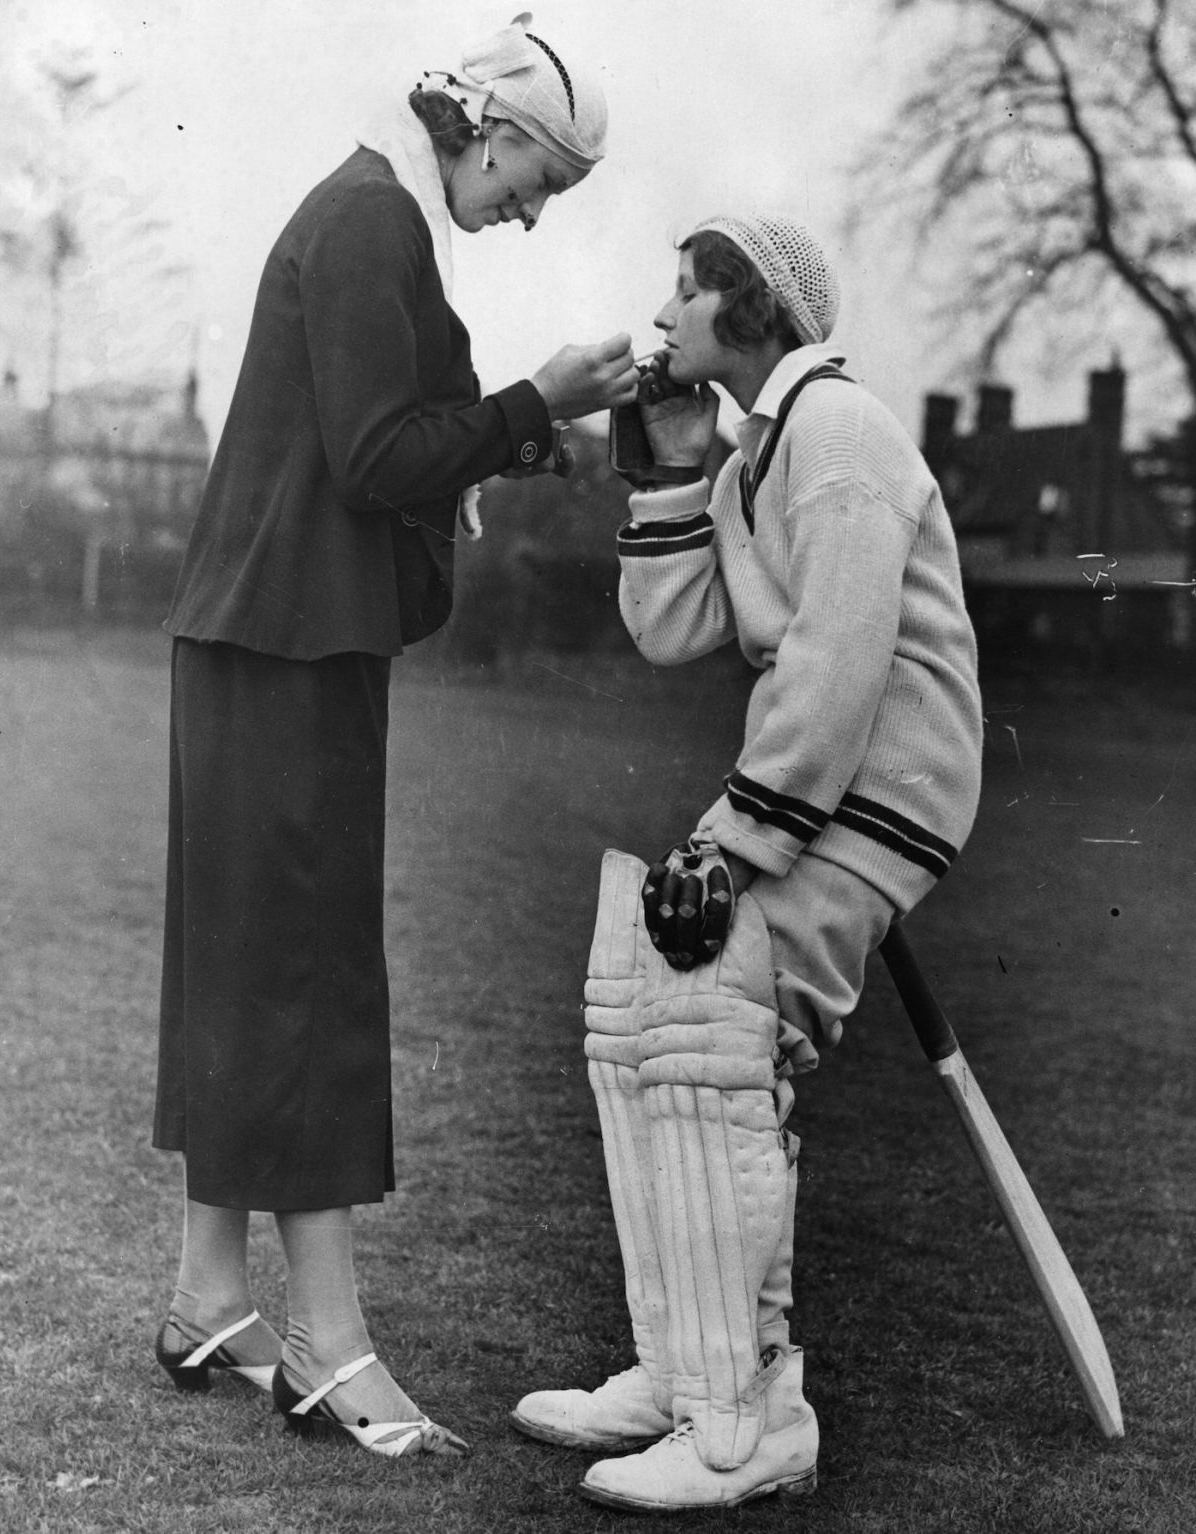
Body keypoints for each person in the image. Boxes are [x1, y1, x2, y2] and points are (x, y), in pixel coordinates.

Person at [152, 12, 639, 1461]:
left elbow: (392, 437)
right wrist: (531, 406)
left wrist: (515, 438)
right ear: (485, 131)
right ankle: (329, 1343)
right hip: (288, 644)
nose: (531, 206)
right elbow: (378, 458)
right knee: (303, 977)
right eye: (535, 176)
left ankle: (208, 1297)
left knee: (256, 965)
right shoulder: (373, 220)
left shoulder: (376, 216)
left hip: (270, 639)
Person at [511, 214, 984, 1509]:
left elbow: (833, 667)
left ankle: (745, 1421)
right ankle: (687, 1371)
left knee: (718, 1026)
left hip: (882, 783)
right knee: (636, 1003)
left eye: (686, 293)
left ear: (757, 311)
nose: (662, 316)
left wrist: (740, 841)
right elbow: (674, 631)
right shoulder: (744, 463)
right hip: (814, 783)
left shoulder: (837, 436)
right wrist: (666, 478)